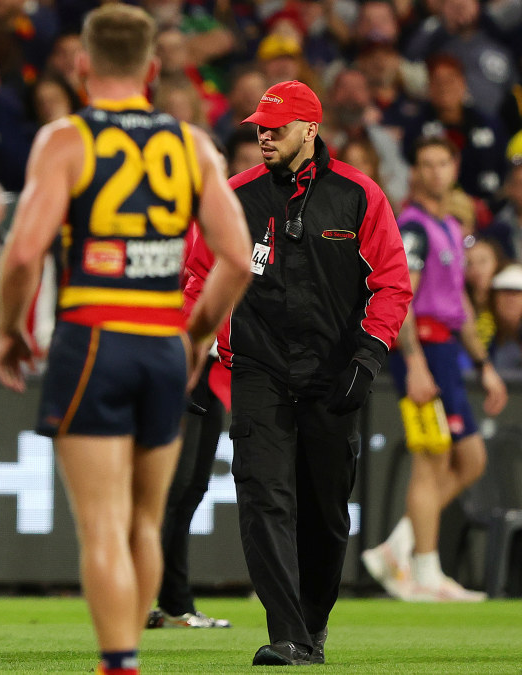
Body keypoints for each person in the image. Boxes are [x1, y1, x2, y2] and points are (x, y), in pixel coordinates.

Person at [0, 6, 253, 675]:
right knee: (146, 519)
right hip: (164, 344)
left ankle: (121, 662)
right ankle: (130, 654)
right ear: (154, 69)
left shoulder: (65, 139)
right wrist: (196, 332)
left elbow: (22, 254)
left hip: (93, 337)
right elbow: (237, 253)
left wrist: (8, 331)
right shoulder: (192, 144)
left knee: (103, 523)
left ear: (82, 66)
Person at [187, 80, 411, 666]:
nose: (264, 136)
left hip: (334, 374)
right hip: (257, 368)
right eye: (259, 126)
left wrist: (368, 356)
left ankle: (311, 623)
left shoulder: (360, 197)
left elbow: (391, 283)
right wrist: (188, 355)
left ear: (310, 130)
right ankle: (285, 631)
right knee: (264, 500)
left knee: (326, 512)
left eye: (276, 128)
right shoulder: (234, 197)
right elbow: (195, 280)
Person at [361, 136, 507, 602]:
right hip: (422, 349)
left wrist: (484, 364)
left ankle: (399, 546)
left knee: (471, 459)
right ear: (417, 172)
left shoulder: (448, 226)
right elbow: (402, 294)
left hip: (448, 353)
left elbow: (460, 302)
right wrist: (415, 363)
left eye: (443, 162)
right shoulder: (416, 229)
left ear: (455, 165)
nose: (436, 172)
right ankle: (425, 571)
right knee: (434, 460)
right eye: (426, 164)